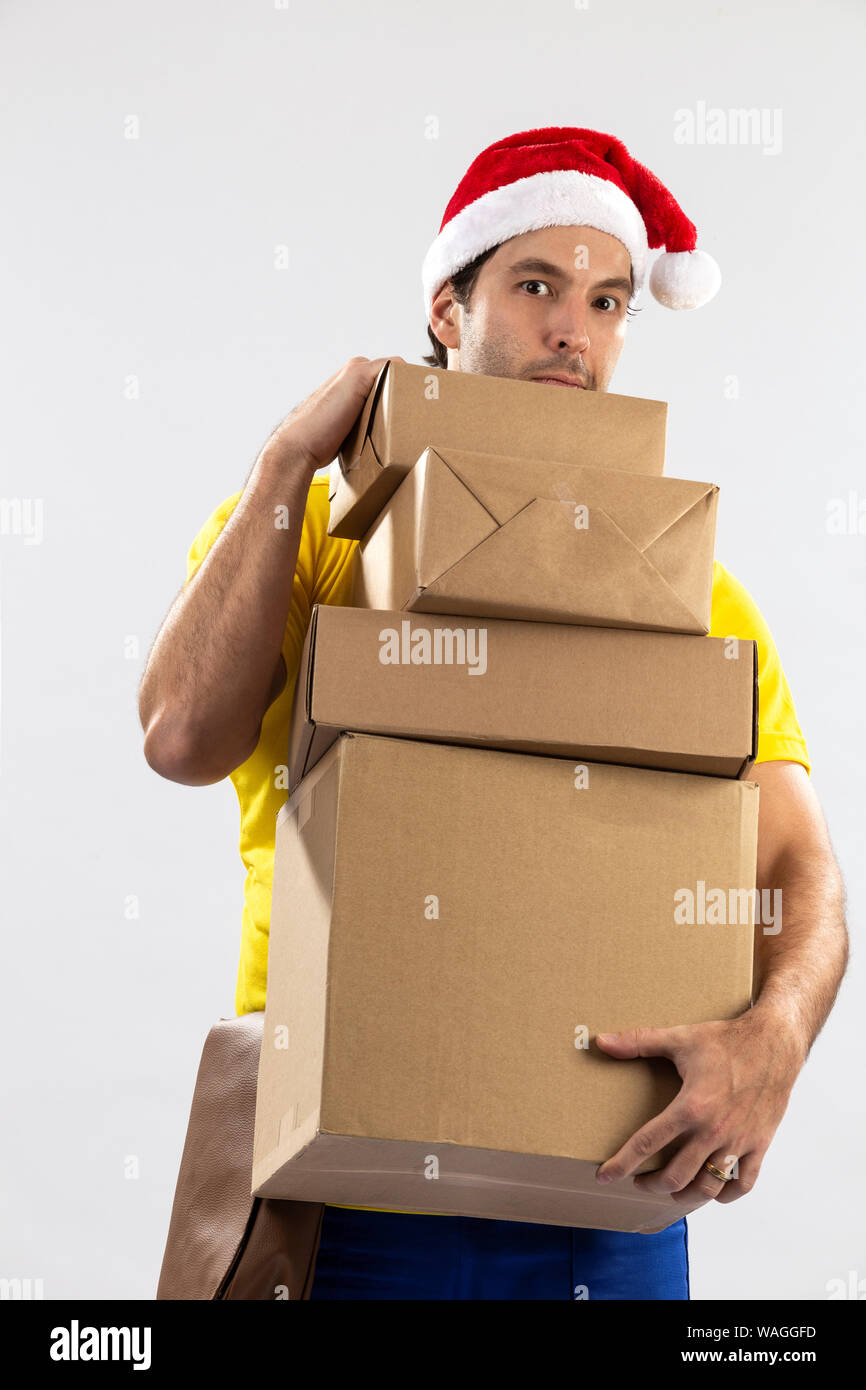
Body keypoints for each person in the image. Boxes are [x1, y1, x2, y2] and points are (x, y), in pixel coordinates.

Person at [139, 126, 848, 1300]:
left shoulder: (694, 591)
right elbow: (179, 738)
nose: (576, 329)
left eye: (610, 300)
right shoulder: (308, 535)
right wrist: (283, 465)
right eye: (536, 286)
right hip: (337, 1181)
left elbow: (797, 861)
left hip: (604, 1185)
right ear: (447, 308)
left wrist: (772, 1037)